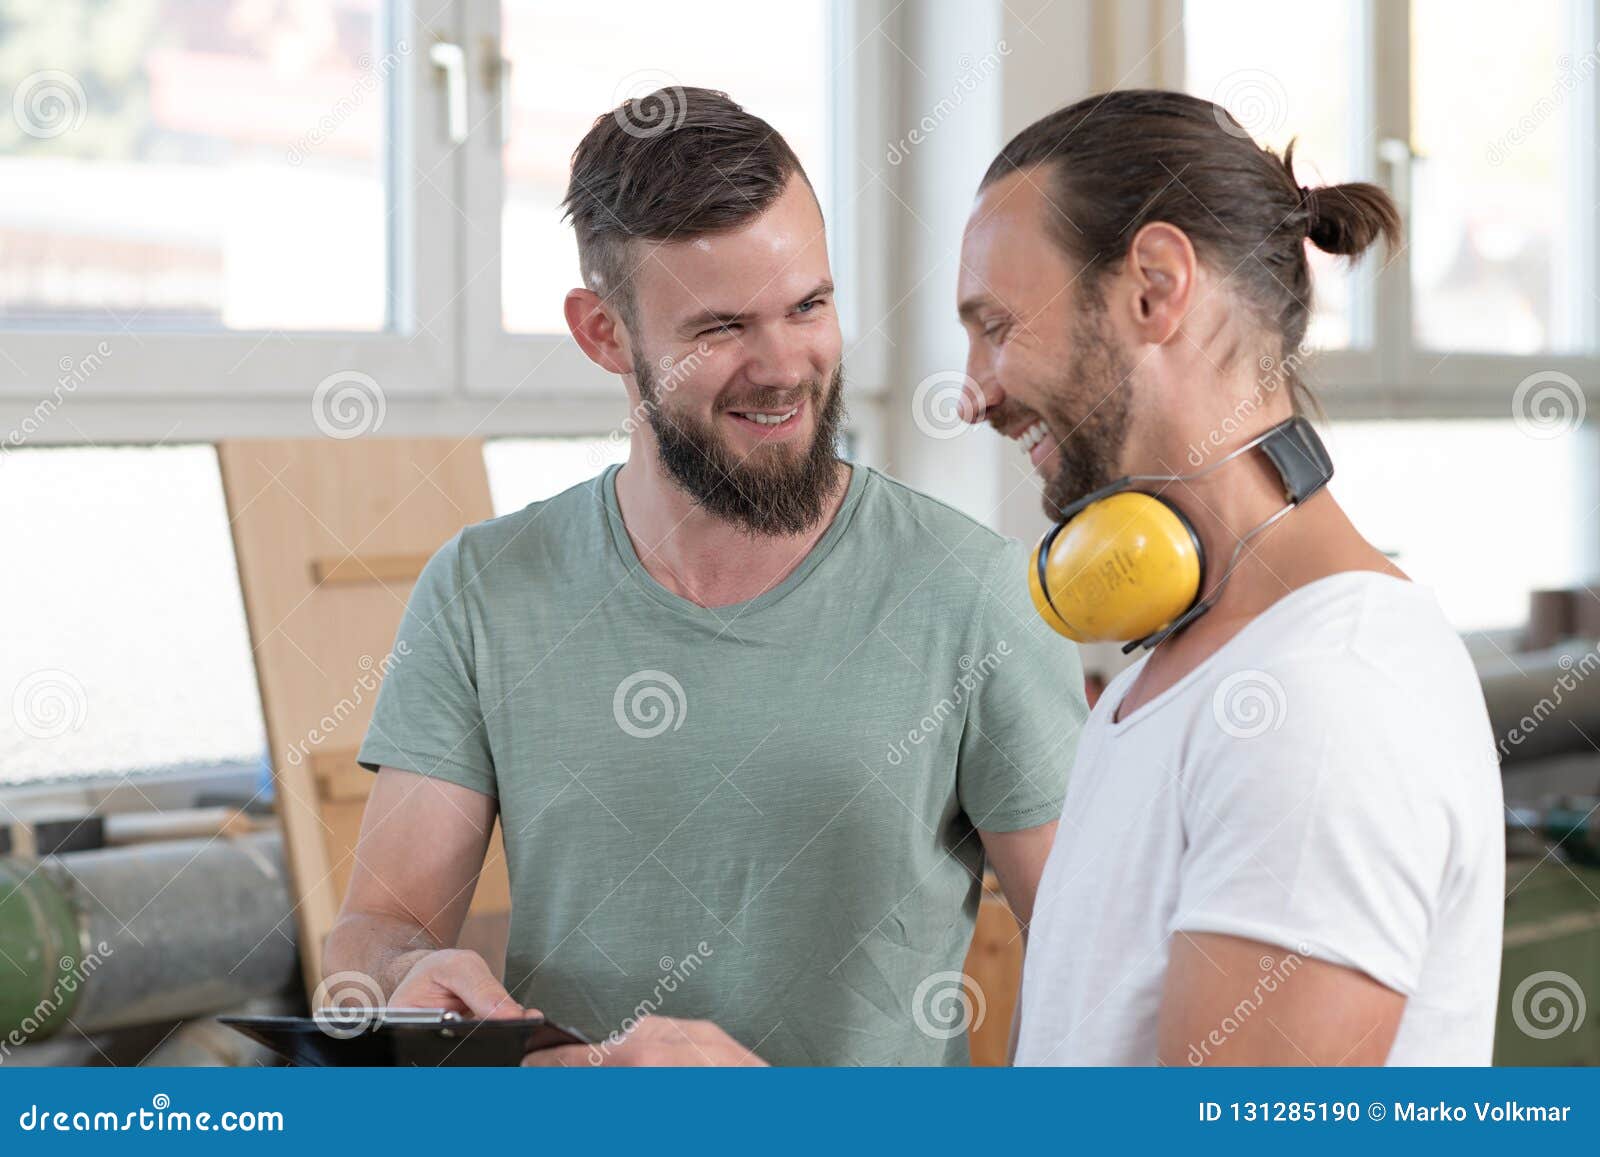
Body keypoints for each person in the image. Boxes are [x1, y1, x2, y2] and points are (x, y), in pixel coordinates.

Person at [323, 87, 1087, 1067]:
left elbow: (1091, 965)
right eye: (721, 329)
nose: (783, 367)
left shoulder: (975, 593)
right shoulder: (484, 589)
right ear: (603, 333)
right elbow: (378, 931)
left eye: (808, 305)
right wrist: (401, 980)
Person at [955, 89, 1503, 1065]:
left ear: (1154, 287)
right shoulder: (1174, 671)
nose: (974, 390)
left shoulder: (1323, 688)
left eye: (995, 324)